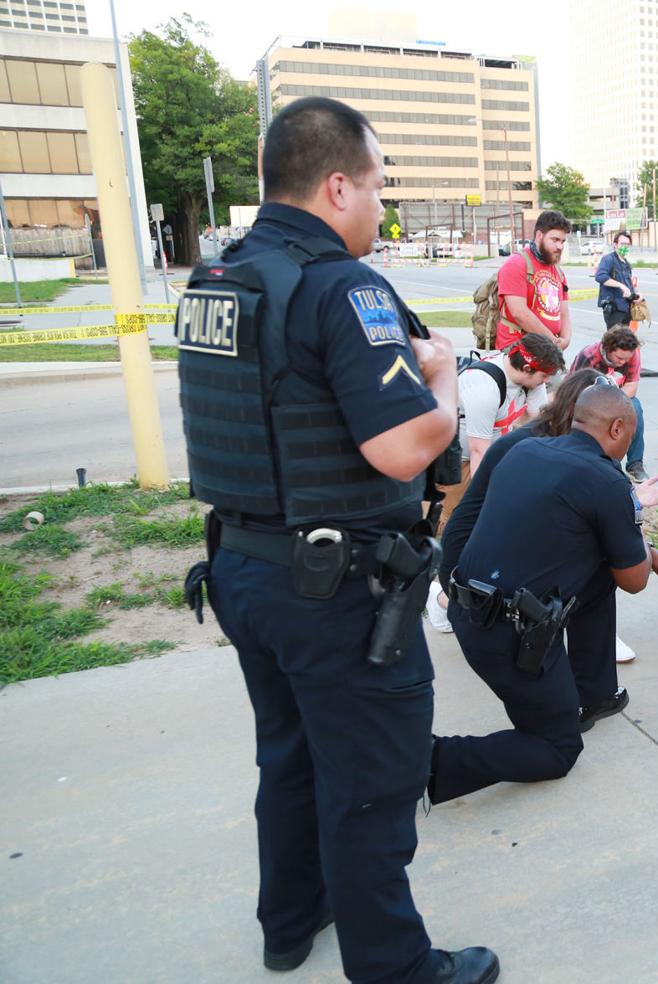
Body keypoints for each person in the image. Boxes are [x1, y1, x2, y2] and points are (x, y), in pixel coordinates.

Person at [179, 97, 497, 983]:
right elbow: (404, 444)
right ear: (335, 185)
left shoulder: (221, 279)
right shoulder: (339, 288)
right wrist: (443, 384)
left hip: (244, 568)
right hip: (337, 595)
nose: (381, 204)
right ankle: (395, 968)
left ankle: (291, 920)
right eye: (377, 185)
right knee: (371, 782)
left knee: (287, 755)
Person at [429, 387, 654, 804]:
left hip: (469, 609)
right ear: (617, 428)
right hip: (509, 636)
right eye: (630, 436)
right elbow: (635, 580)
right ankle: (426, 762)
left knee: (596, 575)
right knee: (558, 748)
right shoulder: (606, 480)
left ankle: (591, 690)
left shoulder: (524, 451)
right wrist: (634, 514)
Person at [438, 370, 658, 715]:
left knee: (597, 562)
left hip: (488, 562)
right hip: (472, 563)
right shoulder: (528, 445)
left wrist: (652, 552)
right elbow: (619, 557)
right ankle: (590, 691)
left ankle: (587, 687)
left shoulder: (547, 446)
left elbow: (595, 522)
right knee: (601, 572)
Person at [439, 334, 564, 542]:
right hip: (457, 461)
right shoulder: (485, 388)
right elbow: (479, 452)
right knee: (455, 522)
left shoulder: (532, 381)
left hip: (492, 451)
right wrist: (486, 500)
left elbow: (541, 427)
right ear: (526, 369)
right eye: (544, 376)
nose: (547, 381)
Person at [572, 327, 649, 481]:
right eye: (619, 358)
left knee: (635, 408)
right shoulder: (588, 356)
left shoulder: (631, 354)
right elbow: (573, 389)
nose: (623, 362)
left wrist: (614, 403)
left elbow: (632, 386)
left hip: (618, 395)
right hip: (587, 398)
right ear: (608, 348)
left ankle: (635, 464)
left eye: (626, 359)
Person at [493, 210, 572, 351]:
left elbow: (564, 312)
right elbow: (519, 313)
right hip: (518, 349)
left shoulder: (558, 272)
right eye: (554, 240)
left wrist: (565, 340)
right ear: (539, 235)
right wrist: (553, 341)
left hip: (548, 349)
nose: (560, 246)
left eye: (562, 241)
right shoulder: (516, 263)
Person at [595, 229, 638, 328]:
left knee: (625, 340)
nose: (625, 247)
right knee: (614, 340)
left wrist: (636, 295)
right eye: (622, 243)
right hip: (614, 309)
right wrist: (621, 286)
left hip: (626, 308)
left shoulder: (626, 264)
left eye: (627, 244)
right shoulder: (608, 259)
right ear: (615, 244)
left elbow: (629, 285)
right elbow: (600, 276)